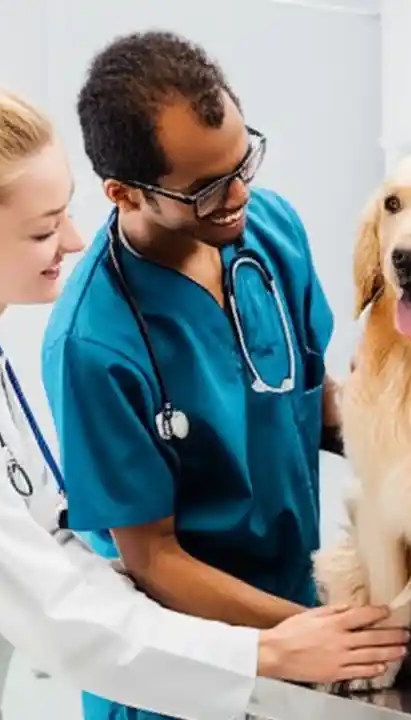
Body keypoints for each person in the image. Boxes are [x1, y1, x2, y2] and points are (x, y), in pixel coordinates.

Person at [0, 46, 407, 720]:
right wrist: (266, 651)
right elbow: (58, 619)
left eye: (63, 211)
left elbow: (56, 551)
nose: (73, 239)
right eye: (41, 230)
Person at [40, 30, 348, 719]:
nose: (237, 195)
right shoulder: (93, 341)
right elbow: (152, 557)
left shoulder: (272, 230)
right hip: (180, 678)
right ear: (124, 193)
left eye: (244, 163)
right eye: (206, 188)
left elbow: (318, 404)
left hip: (303, 644)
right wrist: (302, 630)